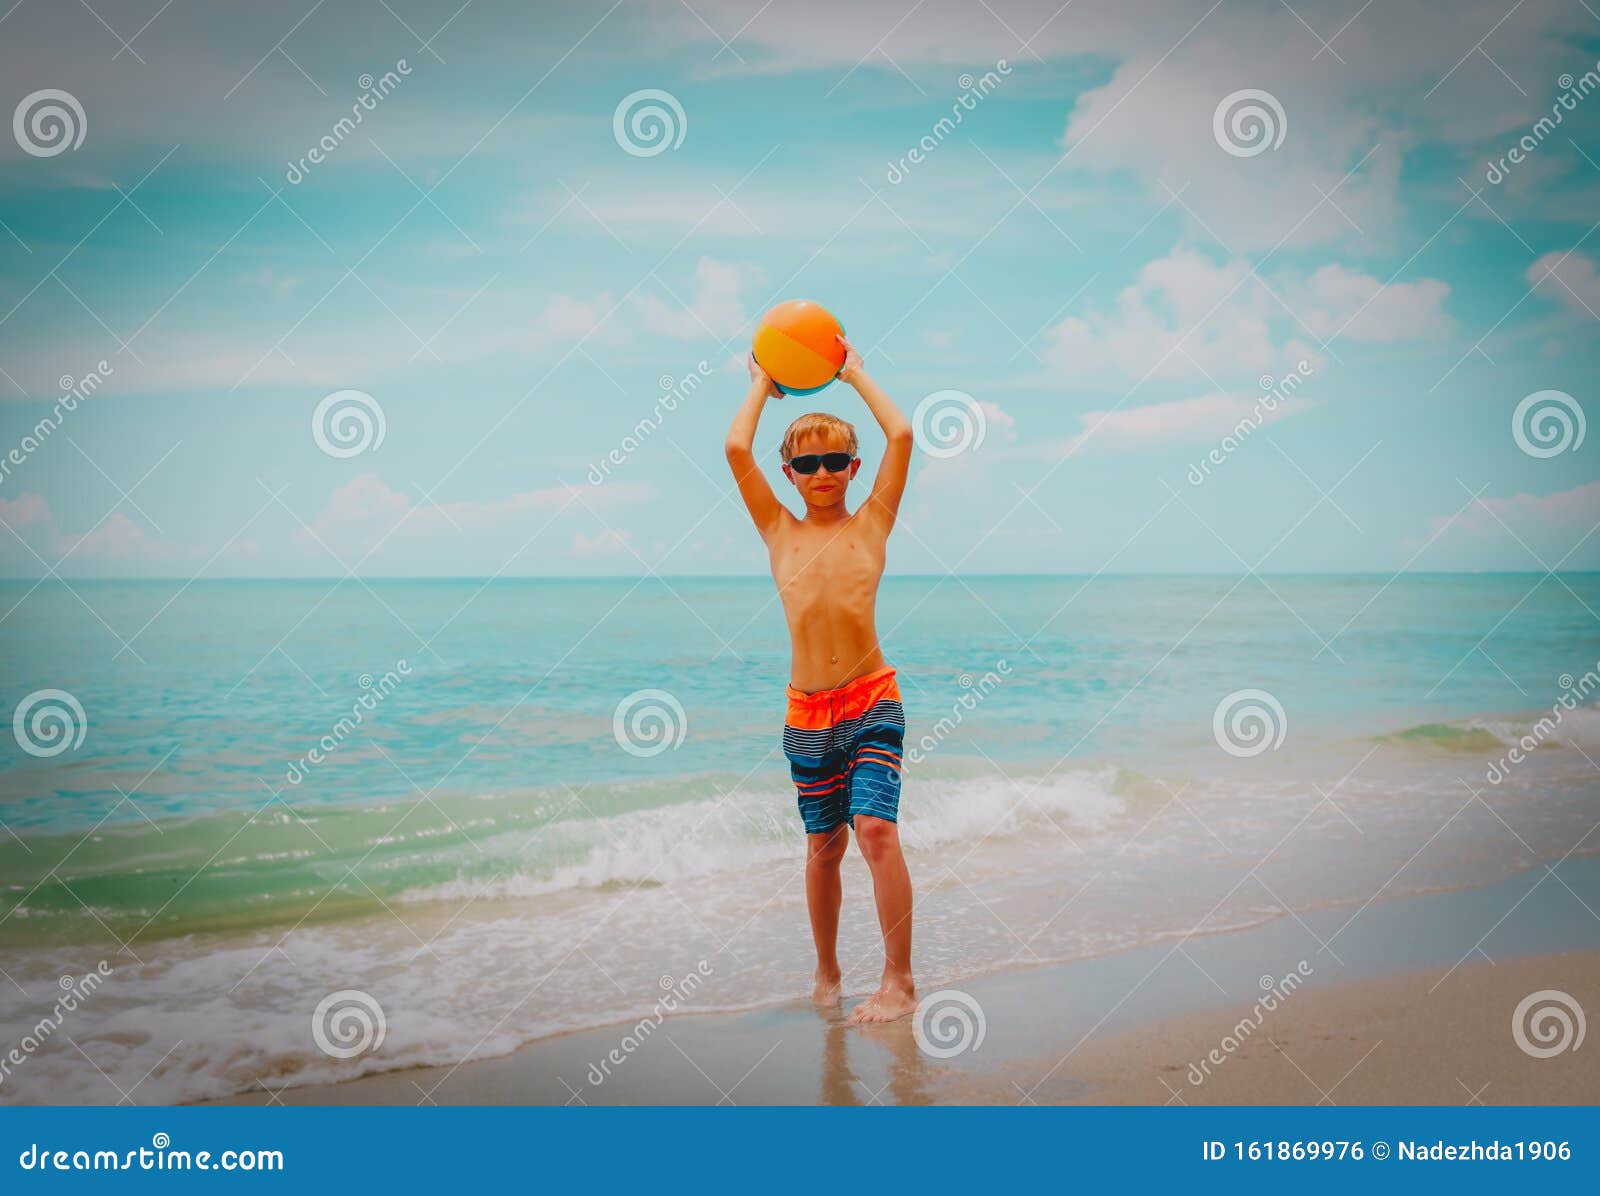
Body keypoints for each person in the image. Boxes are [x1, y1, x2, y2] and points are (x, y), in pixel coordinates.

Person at [723, 334, 918, 1024]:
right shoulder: (779, 530)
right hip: (807, 716)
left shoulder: (874, 523)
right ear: (790, 473)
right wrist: (762, 383)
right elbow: (736, 448)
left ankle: (899, 981)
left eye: (836, 460)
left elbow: (902, 433)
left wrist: (854, 373)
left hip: (872, 701)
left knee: (875, 831)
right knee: (823, 848)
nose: (823, 472)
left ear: (854, 467)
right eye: (807, 463)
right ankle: (828, 972)